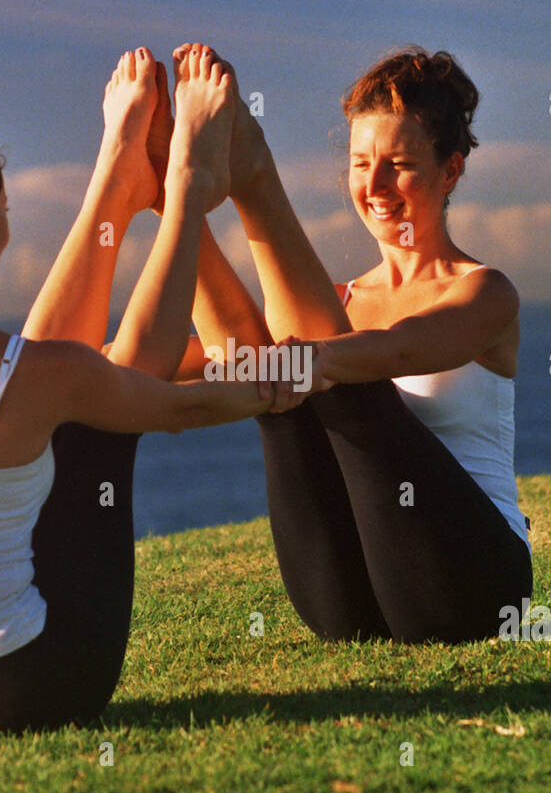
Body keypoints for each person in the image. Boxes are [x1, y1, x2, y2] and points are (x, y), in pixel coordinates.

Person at [0, 46, 307, 739]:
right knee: (96, 413)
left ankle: (120, 178)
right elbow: (181, 406)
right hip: (22, 687)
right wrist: (271, 386)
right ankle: (181, 183)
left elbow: (38, 379)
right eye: (7, 211)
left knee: (64, 389)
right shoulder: (36, 375)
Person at [179, 43, 533, 643]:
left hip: (475, 588)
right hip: (351, 605)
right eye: (360, 162)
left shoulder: (486, 295)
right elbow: (222, 359)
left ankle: (254, 177)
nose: (374, 185)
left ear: (450, 170)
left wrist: (301, 362)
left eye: (399, 163)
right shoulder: (331, 305)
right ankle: (179, 193)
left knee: (331, 376)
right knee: (272, 379)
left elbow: (394, 351)